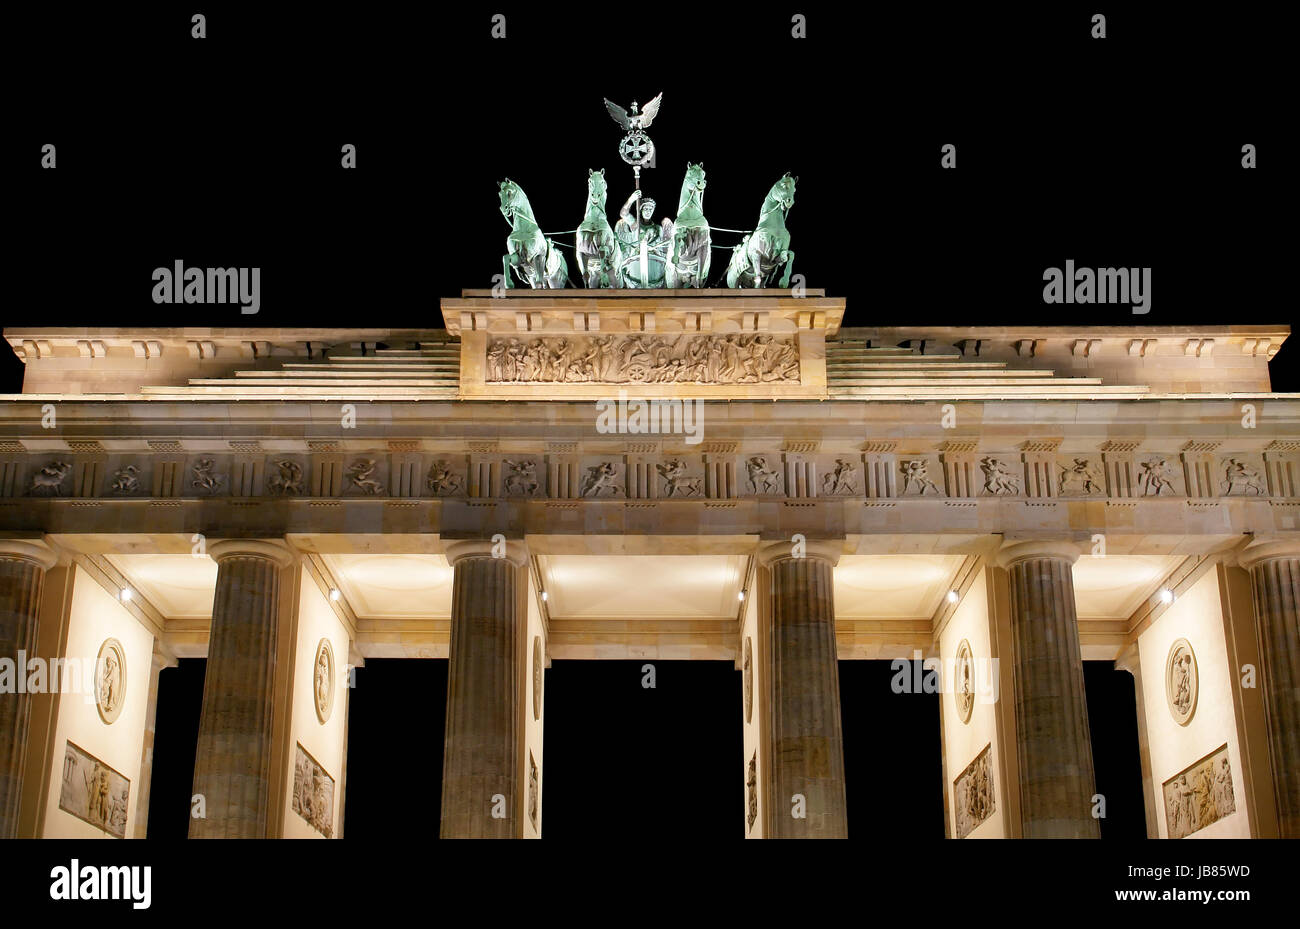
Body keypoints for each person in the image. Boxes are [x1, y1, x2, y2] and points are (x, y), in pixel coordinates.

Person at [614, 190, 672, 288]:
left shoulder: (658, 228)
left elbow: (663, 249)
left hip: (655, 260)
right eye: (645, 209)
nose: (648, 211)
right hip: (636, 259)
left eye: (650, 209)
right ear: (640, 210)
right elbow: (623, 213)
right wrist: (632, 199)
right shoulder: (635, 225)